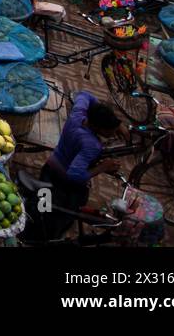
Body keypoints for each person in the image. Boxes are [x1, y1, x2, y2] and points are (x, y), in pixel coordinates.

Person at [38, 93, 125, 239]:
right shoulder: (91, 145)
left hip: (49, 168)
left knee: (43, 206)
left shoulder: (78, 115)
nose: (114, 133)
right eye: (111, 130)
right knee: (60, 215)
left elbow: (84, 94)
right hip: (64, 183)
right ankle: (52, 236)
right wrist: (103, 167)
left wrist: (117, 123)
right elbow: (74, 174)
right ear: (99, 128)